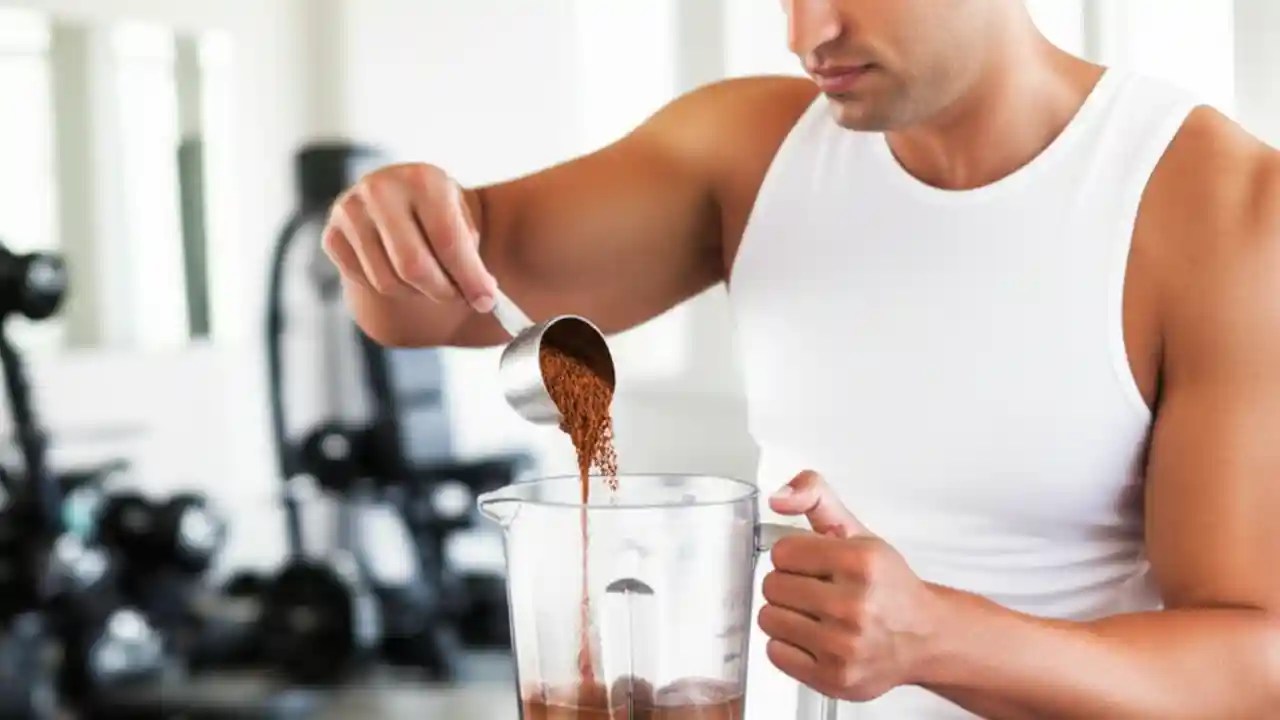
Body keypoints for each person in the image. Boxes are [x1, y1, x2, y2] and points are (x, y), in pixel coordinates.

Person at [322, 0, 1280, 717]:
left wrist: (939, 639)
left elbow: (1254, 670)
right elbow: (424, 305)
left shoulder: (1222, 208)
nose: (805, 32)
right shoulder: (746, 150)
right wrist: (395, 221)